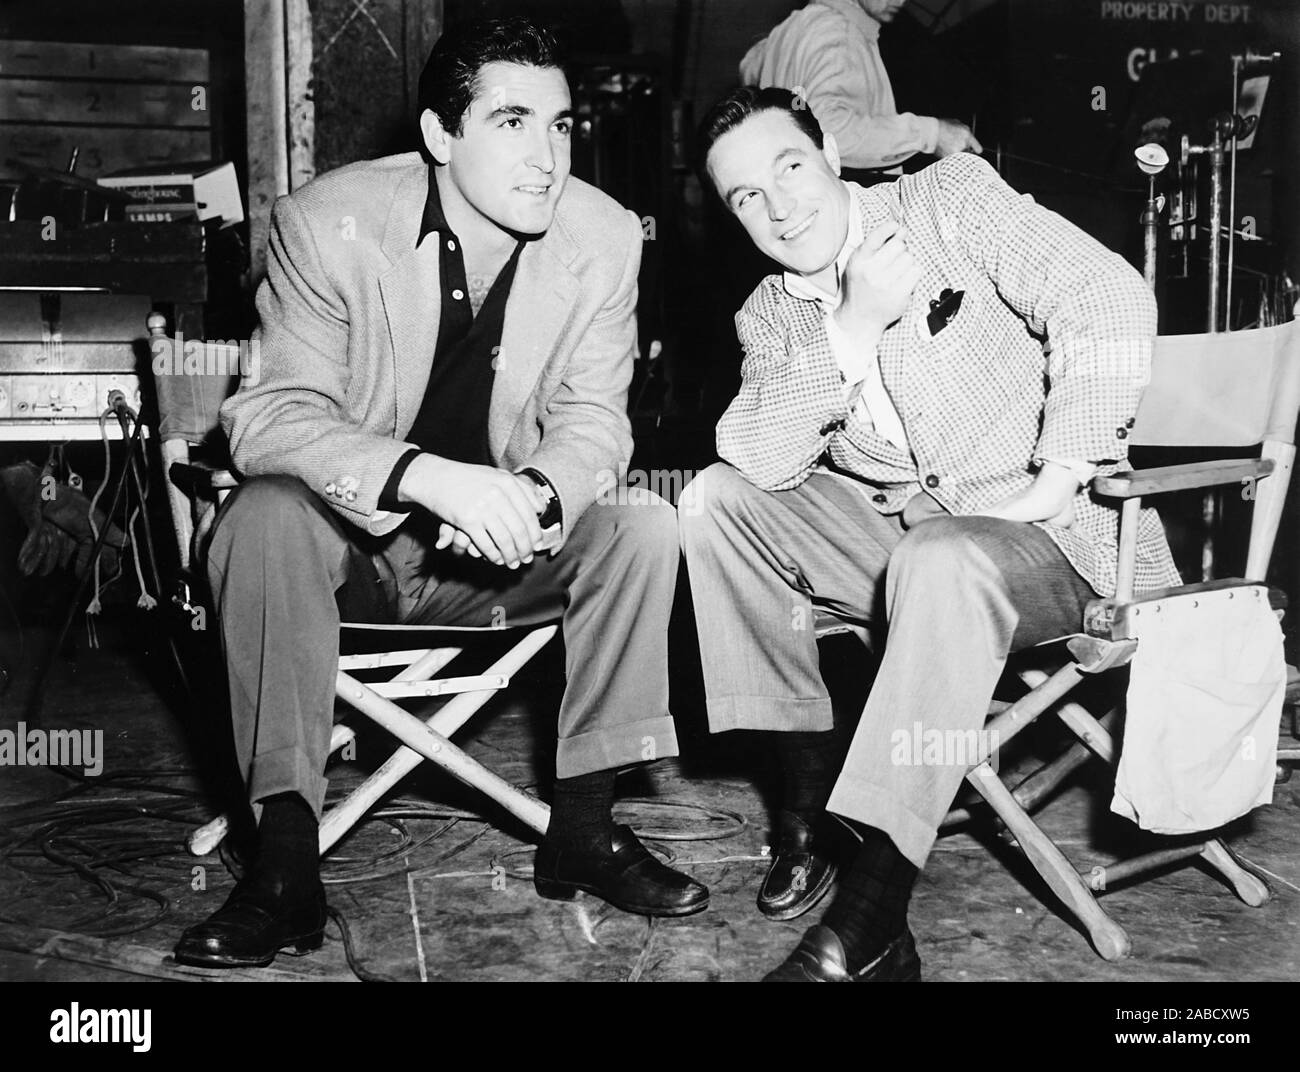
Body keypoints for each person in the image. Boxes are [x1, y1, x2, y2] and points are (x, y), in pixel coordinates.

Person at [174, 17, 707, 970]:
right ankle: (285, 866)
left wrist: (541, 494)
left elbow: (599, 424)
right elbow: (265, 422)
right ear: (438, 135)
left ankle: (582, 823)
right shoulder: (326, 224)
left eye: (561, 123)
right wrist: (427, 477)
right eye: (512, 122)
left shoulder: (604, 235)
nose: (547, 156)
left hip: (509, 571)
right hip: (350, 571)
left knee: (642, 522)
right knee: (258, 517)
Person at [681, 87, 1180, 981]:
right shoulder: (770, 313)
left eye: (789, 168)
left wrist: (1058, 472)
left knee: (941, 556)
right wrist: (852, 328)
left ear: (831, 152)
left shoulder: (949, 199)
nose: (779, 206)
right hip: (907, 543)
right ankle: (804, 802)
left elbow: (1105, 293)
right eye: (745, 197)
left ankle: (873, 917)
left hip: (1059, 538)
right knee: (715, 501)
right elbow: (753, 456)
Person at [739, 0, 981, 177]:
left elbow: (750, 68)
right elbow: (829, 132)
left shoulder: (789, 31)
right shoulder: (839, 32)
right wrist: (932, 134)